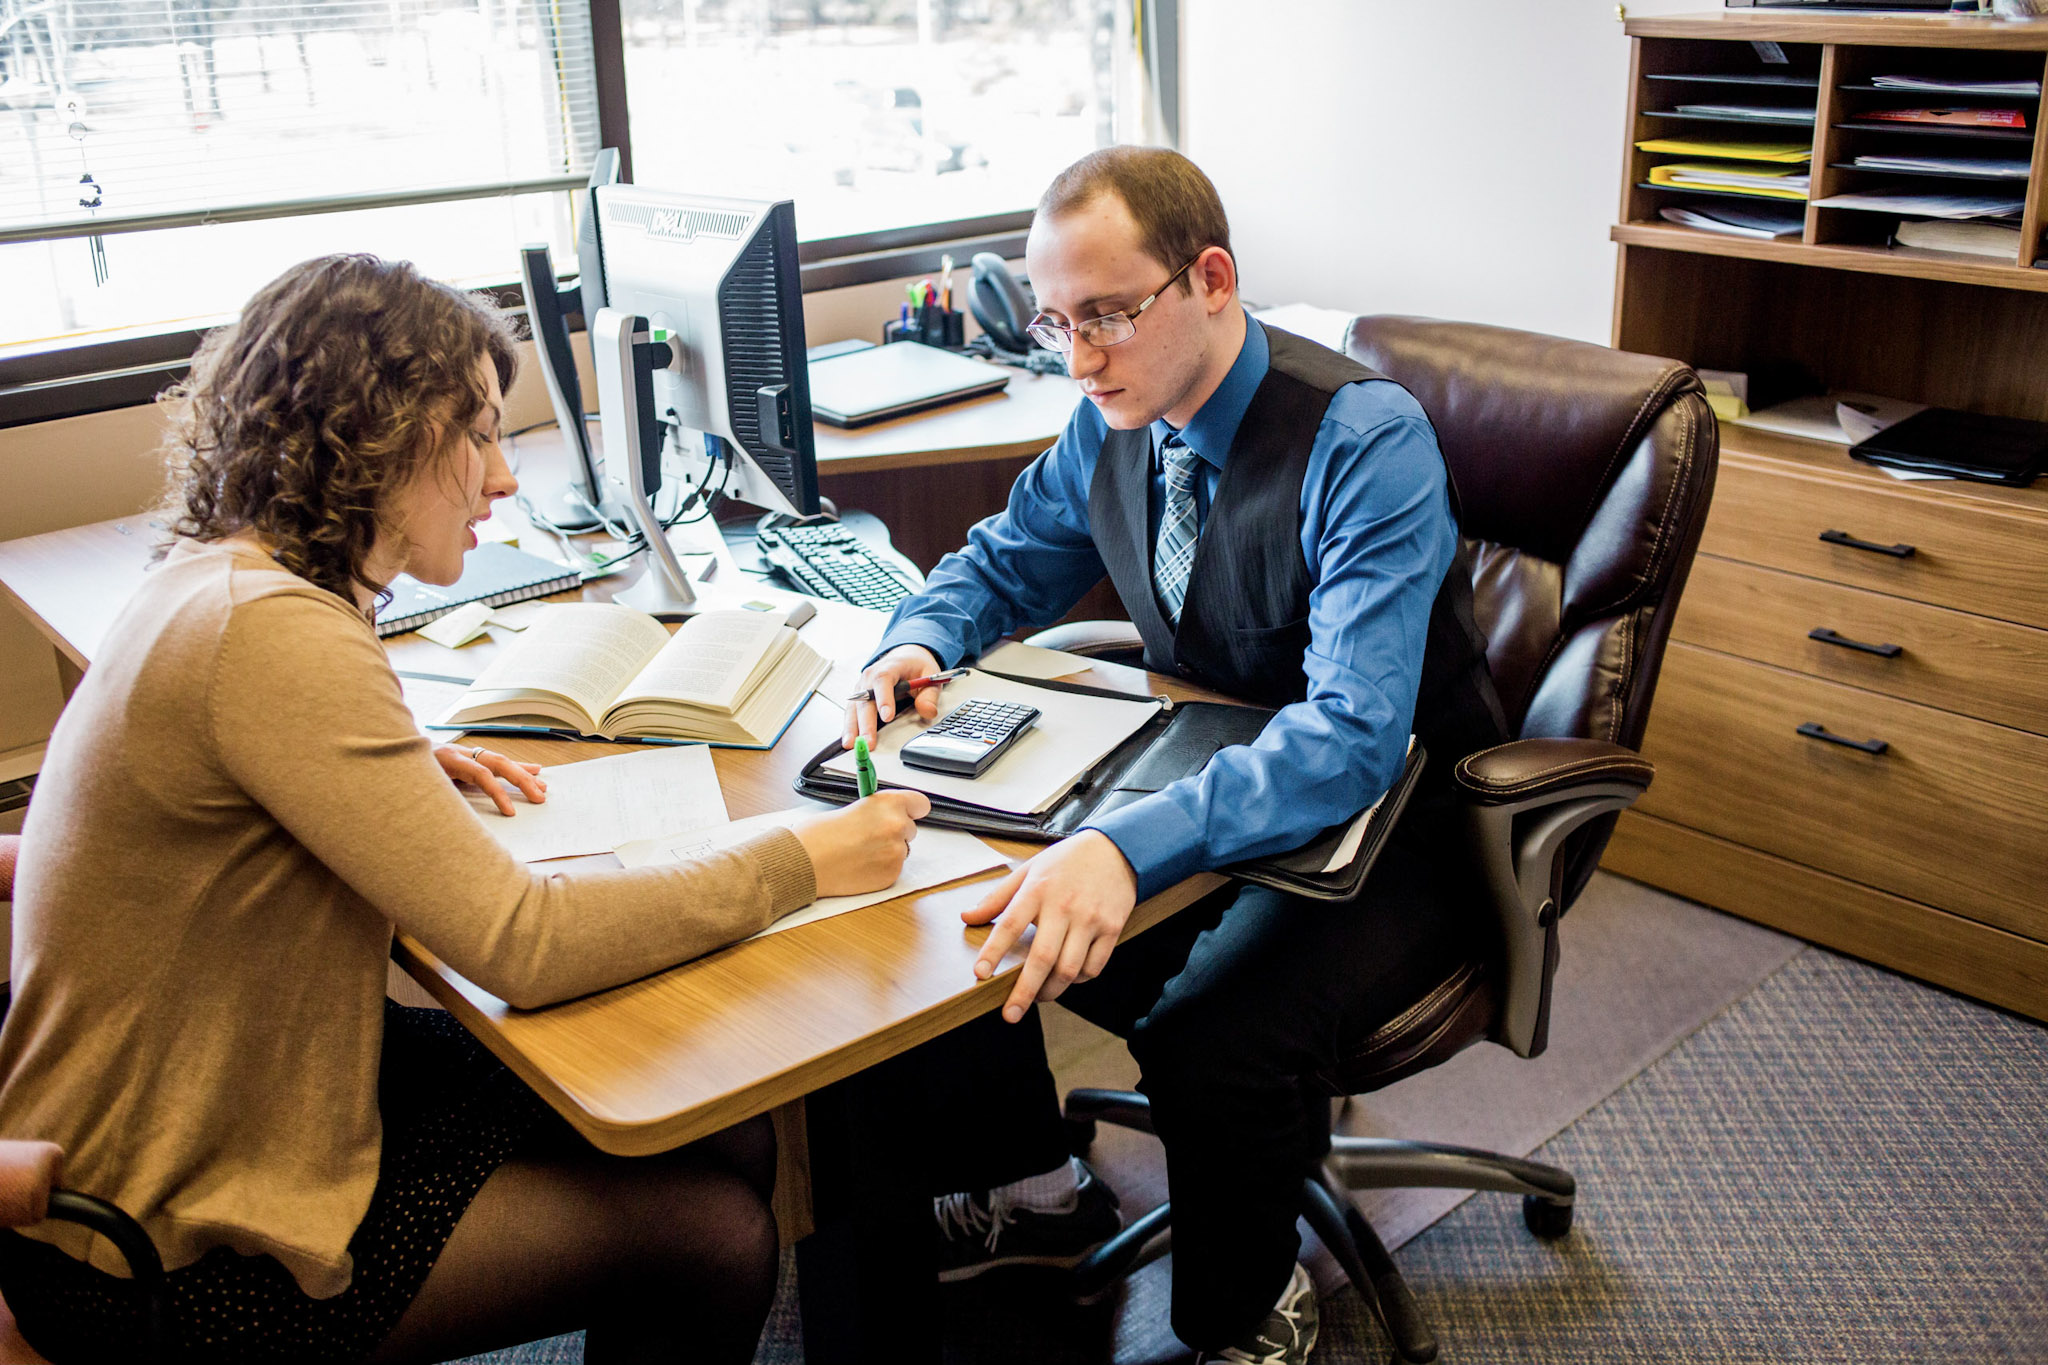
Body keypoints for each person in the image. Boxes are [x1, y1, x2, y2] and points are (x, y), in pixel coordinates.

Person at [0, 253, 930, 1365]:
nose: (502, 480)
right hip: (157, 1232)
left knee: (721, 1128)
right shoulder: (277, 636)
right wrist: (800, 858)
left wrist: (387, 767)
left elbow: (229, 774)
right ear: (377, 437)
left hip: (223, 1095)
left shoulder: (225, 578)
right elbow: (522, 946)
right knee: (714, 1236)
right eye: (479, 436)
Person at [844, 148, 1507, 1364]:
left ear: (1209, 278)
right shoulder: (1113, 419)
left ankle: (1241, 1315)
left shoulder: (1364, 440)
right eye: (1056, 323)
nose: (1077, 358)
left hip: (1407, 823)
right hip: (1208, 773)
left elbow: (1351, 734)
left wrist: (1120, 845)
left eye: (1106, 315)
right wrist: (918, 638)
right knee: (950, 903)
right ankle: (1040, 1192)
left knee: (1213, 1036)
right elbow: (1004, 560)